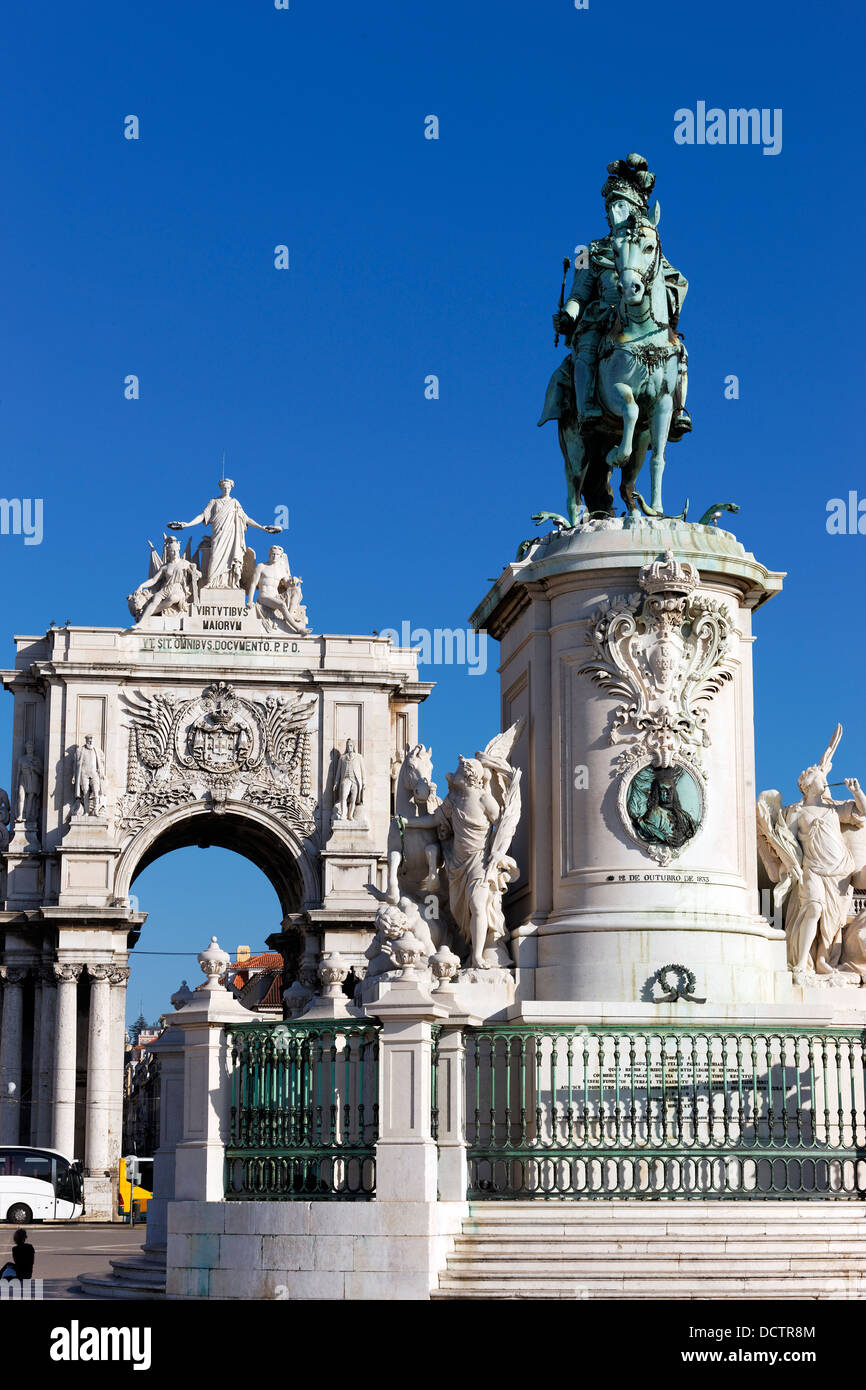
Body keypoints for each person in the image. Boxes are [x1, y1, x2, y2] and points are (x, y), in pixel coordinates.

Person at [168, 479, 281, 589]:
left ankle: (231, 583)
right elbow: (202, 516)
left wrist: (262, 527)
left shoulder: (235, 503)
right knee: (215, 557)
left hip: (232, 536)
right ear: (221, 488)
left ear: (231, 488)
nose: (226, 489)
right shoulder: (214, 502)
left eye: (228, 487)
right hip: (219, 534)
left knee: (231, 559)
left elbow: (246, 519)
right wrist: (187, 524)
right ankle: (211, 582)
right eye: (224, 487)